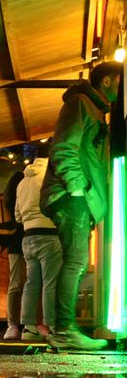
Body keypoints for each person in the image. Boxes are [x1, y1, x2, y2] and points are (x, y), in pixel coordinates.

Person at [39, 61, 121, 351]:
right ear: (109, 81)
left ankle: (63, 330)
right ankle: (64, 330)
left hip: (78, 197)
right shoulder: (80, 104)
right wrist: (78, 188)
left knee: (75, 262)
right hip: (71, 196)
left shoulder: (95, 110)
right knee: (75, 262)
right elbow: (63, 147)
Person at [15, 144, 59, 344]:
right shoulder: (49, 177)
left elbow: (17, 215)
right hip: (49, 233)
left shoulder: (23, 182)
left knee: (31, 283)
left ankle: (29, 328)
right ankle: (52, 327)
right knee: (51, 282)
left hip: (28, 235)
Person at [0, 168, 26, 339]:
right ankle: (29, 324)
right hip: (26, 241)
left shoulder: (6, 202)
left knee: (16, 284)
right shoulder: (28, 192)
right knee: (31, 284)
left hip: (15, 246)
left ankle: (13, 325)